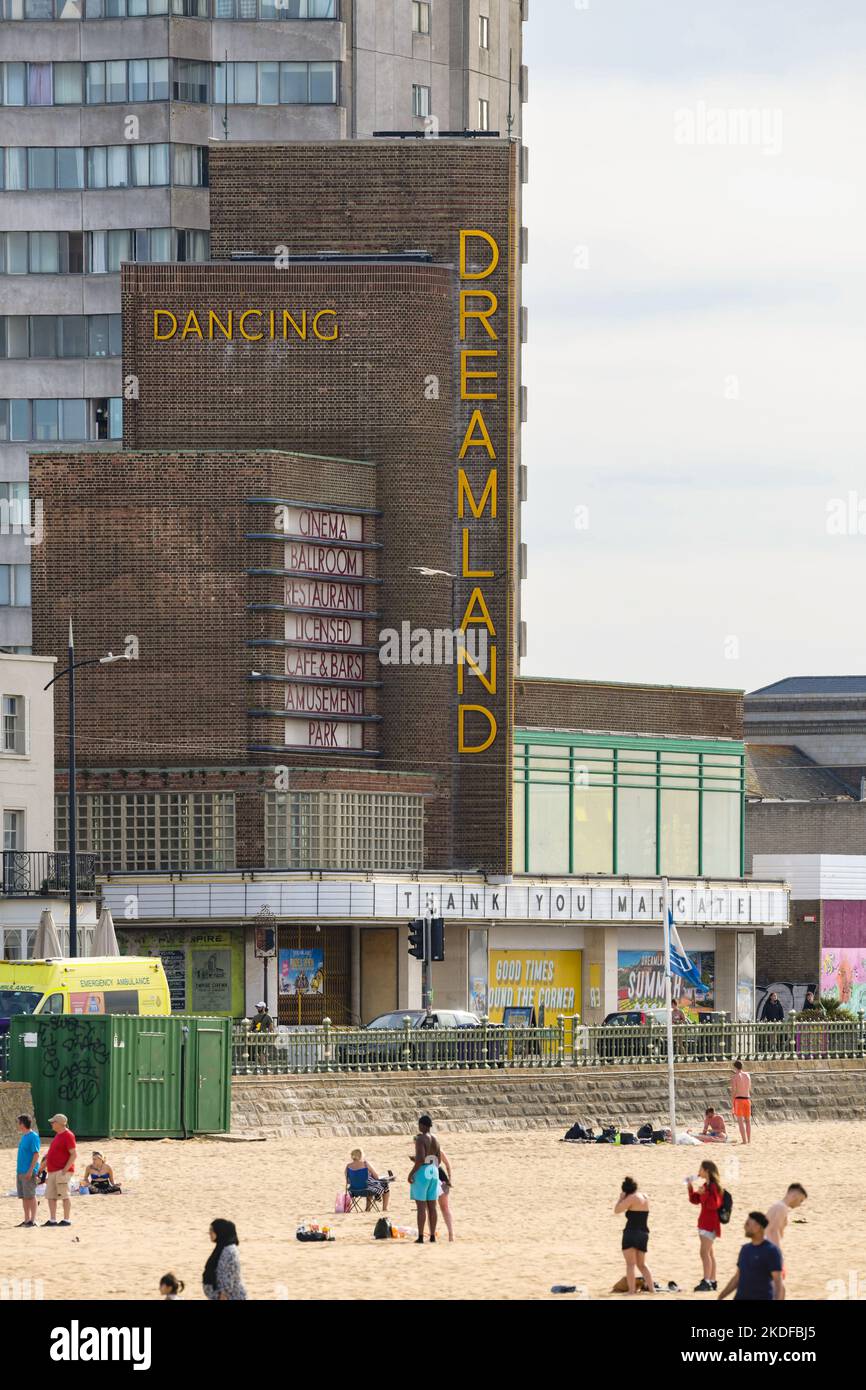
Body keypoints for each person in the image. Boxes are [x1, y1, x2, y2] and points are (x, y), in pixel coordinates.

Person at [718, 1212, 784, 1302]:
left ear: (758, 1227)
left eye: (748, 1224)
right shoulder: (745, 1249)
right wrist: (721, 1296)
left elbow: (778, 1282)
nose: (745, 1227)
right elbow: (738, 1277)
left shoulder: (771, 1251)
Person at [614, 1176, 655, 1295]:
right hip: (644, 1233)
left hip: (631, 1232)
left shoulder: (631, 1198)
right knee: (642, 1264)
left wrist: (620, 1199)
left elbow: (617, 1210)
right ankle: (652, 1289)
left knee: (630, 1264)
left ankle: (631, 1291)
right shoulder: (645, 1197)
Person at [687, 1159, 724, 1291]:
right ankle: (712, 1281)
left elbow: (713, 1205)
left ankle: (706, 1281)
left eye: (701, 1169)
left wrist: (704, 1194)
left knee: (704, 1253)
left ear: (706, 1170)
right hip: (704, 1222)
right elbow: (694, 1200)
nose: (699, 1171)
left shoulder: (713, 1187)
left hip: (710, 1223)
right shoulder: (706, 1185)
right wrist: (690, 1188)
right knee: (709, 1253)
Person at [408, 1114, 442, 1243]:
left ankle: (421, 1237)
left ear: (422, 1125)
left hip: (423, 1171)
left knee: (421, 1206)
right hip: (434, 1171)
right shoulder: (435, 1139)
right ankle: (432, 1236)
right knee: (432, 1205)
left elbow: (421, 1159)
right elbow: (438, 1159)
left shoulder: (420, 1139)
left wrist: (411, 1173)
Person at [42, 1113, 77, 1228]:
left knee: (64, 1195)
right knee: (51, 1196)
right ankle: (52, 1220)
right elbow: (51, 1154)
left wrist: (65, 1170)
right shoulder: (58, 1135)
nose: (51, 1124)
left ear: (60, 1123)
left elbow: (73, 1154)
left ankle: (66, 1219)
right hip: (52, 1171)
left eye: (53, 1122)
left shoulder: (68, 1135)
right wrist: (42, 1167)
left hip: (62, 1171)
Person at [766, 1183, 807, 1278]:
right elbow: (773, 1231)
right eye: (800, 1200)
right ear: (794, 1196)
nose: (799, 1205)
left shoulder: (778, 1206)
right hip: (769, 1248)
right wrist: (778, 1253)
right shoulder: (781, 1208)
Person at [203, 1220, 246, 1301]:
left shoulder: (229, 1251)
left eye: (212, 1230)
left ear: (220, 1231)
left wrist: (224, 1294)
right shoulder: (221, 1248)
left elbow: (230, 1273)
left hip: (229, 1296)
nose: (209, 1233)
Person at [15, 1114, 40, 1228]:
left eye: (18, 1122)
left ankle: (33, 1220)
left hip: (28, 1171)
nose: (17, 1125)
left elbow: (36, 1154)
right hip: (20, 1171)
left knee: (31, 1195)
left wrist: (30, 1171)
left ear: (22, 1124)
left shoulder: (33, 1136)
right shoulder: (24, 1136)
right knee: (24, 1196)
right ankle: (26, 1220)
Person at [731, 1060, 752, 1144]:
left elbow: (734, 1090)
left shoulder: (735, 1077)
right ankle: (749, 1139)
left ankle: (744, 1140)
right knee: (748, 1121)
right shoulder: (747, 1075)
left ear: (735, 1067)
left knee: (740, 1121)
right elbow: (749, 1088)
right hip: (747, 1098)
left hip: (739, 1099)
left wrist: (732, 1101)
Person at [437, 1147, 454, 1242]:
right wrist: (449, 1178)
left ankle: (432, 1234)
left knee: (430, 1208)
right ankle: (451, 1234)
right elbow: (447, 1164)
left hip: (432, 1178)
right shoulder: (439, 1150)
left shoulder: (422, 1149)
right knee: (445, 1207)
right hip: (443, 1178)